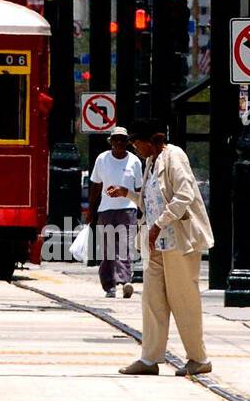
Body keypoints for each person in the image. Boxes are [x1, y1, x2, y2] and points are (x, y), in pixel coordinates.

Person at [119, 119, 215, 378]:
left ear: (151, 140)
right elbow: (151, 201)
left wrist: (158, 225)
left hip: (178, 243)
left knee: (184, 300)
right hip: (157, 245)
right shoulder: (150, 163)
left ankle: (198, 358)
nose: (135, 149)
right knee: (152, 301)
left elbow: (184, 196)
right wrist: (127, 194)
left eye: (137, 143)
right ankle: (149, 358)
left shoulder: (175, 157)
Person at [88, 128, 143, 299]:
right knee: (108, 249)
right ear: (111, 141)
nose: (119, 143)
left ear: (127, 142)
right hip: (106, 209)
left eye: (123, 139)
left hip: (128, 209)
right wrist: (91, 210)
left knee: (125, 246)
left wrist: (142, 208)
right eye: (116, 139)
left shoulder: (134, 161)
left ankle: (125, 280)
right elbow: (96, 185)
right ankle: (109, 285)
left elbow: (139, 188)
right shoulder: (102, 159)